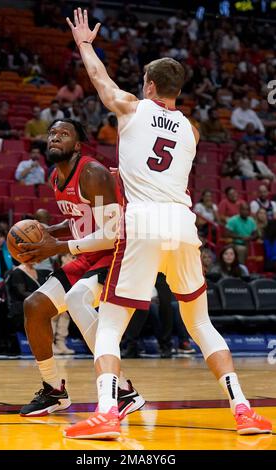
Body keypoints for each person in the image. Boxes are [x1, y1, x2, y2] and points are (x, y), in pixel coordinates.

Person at [59, 9, 271, 438]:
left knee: (112, 324)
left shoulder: (132, 108)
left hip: (142, 222)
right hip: (182, 224)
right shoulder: (191, 130)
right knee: (200, 323)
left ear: (150, 85)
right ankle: (244, 409)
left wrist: (84, 43)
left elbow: (100, 79)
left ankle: (106, 411)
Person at [18, 118, 144, 417]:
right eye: (51, 133)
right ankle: (53, 390)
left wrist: (58, 247)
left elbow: (112, 232)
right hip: (88, 255)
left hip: (117, 253)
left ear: (77, 145)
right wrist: (50, 231)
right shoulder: (54, 176)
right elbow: (80, 222)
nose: (54, 137)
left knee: (77, 299)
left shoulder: (92, 173)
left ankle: (123, 389)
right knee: (34, 306)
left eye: (63, 134)